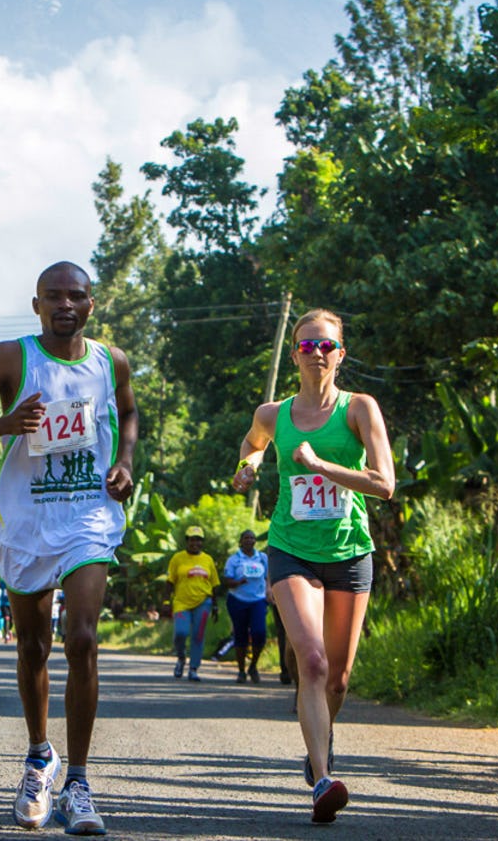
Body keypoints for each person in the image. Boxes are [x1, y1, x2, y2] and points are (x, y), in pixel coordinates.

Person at [0, 260, 137, 835]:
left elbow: (127, 411)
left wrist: (124, 461)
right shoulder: (11, 359)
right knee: (33, 646)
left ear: (91, 304)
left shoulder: (111, 361)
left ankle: (77, 780)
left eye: (75, 296)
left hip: (88, 516)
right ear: (36, 305)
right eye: (53, 296)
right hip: (28, 519)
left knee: (82, 638)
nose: (64, 305)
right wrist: (8, 424)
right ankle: (38, 758)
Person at [232, 308, 394, 825]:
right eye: (306, 346)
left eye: (326, 346)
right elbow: (252, 447)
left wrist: (323, 466)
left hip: (350, 551)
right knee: (314, 662)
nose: (316, 353)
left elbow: (385, 484)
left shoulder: (359, 409)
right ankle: (323, 779)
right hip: (290, 549)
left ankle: (319, 740)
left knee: (339, 680)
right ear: (296, 356)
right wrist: (248, 466)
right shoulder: (271, 414)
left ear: (340, 354)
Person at [163, 526, 219, 682]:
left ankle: (194, 668)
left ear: (202, 543)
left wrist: (215, 605)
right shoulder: (177, 558)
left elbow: (214, 584)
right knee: (181, 633)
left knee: (198, 636)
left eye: (199, 540)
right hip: (182, 602)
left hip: (203, 602)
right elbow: (169, 582)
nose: (195, 543)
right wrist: (166, 601)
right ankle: (181, 658)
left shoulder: (207, 559)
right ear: (187, 541)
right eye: (192, 539)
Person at [222, 529, 271, 684]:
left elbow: (269, 577)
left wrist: (269, 591)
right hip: (238, 600)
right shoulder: (234, 559)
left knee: (259, 633)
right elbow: (227, 581)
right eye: (246, 538)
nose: (249, 540)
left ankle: (253, 666)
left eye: (252, 538)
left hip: (258, 600)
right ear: (241, 541)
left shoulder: (262, 558)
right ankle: (241, 670)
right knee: (240, 635)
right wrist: (238, 582)